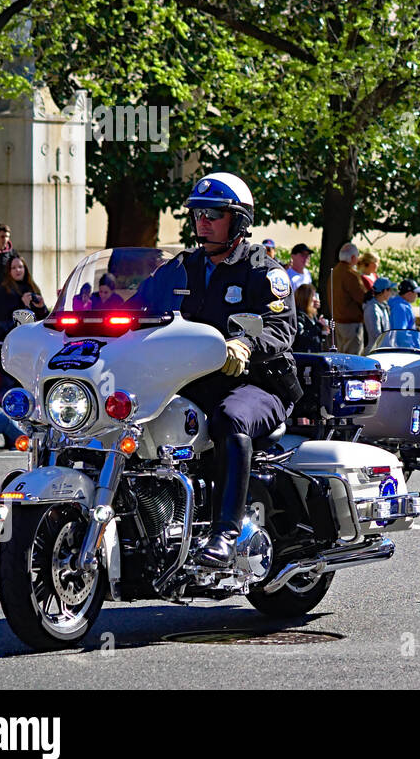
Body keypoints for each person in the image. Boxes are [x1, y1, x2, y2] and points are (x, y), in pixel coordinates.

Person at [133, 172, 302, 568]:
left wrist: (244, 344)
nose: (202, 222)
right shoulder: (180, 269)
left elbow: (281, 328)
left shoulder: (264, 272)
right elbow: (135, 307)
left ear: (239, 221)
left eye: (213, 214)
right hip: (192, 382)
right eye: (197, 214)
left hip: (257, 383)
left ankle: (225, 532)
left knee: (229, 419)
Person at [0, 255, 49, 395]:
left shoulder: (32, 287)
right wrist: (22, 305)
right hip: (8, 346)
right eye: (14, 267)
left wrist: (41, 307)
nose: (18, 270)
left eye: (20, 267)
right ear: (9, 271)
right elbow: (2, 320)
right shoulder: (3, 291)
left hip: (30, 347)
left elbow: (43, 320)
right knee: (9, 387)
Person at [328, 243, 367, 354]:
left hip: (338, 323)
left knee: (341, 357)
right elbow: (362, 298)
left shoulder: (334, 272)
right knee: (353, 360)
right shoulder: (351, 275)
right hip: (351, 325)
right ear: (353, 258)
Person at [292, 284, 326, 353]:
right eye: (313, 296)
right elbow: (301, 338)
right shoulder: (299, 316)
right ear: (306, 297)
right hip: (304, 358)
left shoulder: (312, 316)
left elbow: (316, 338)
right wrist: (318, 326)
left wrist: (323, 332)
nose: (316, 299)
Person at [363, 277, 394, 351]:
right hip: (375, 351)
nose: (391, 292)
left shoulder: (383, 305)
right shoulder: (372, 309)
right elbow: (376, 335)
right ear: (384, 291)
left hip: (383, 349)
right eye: (389, 290)